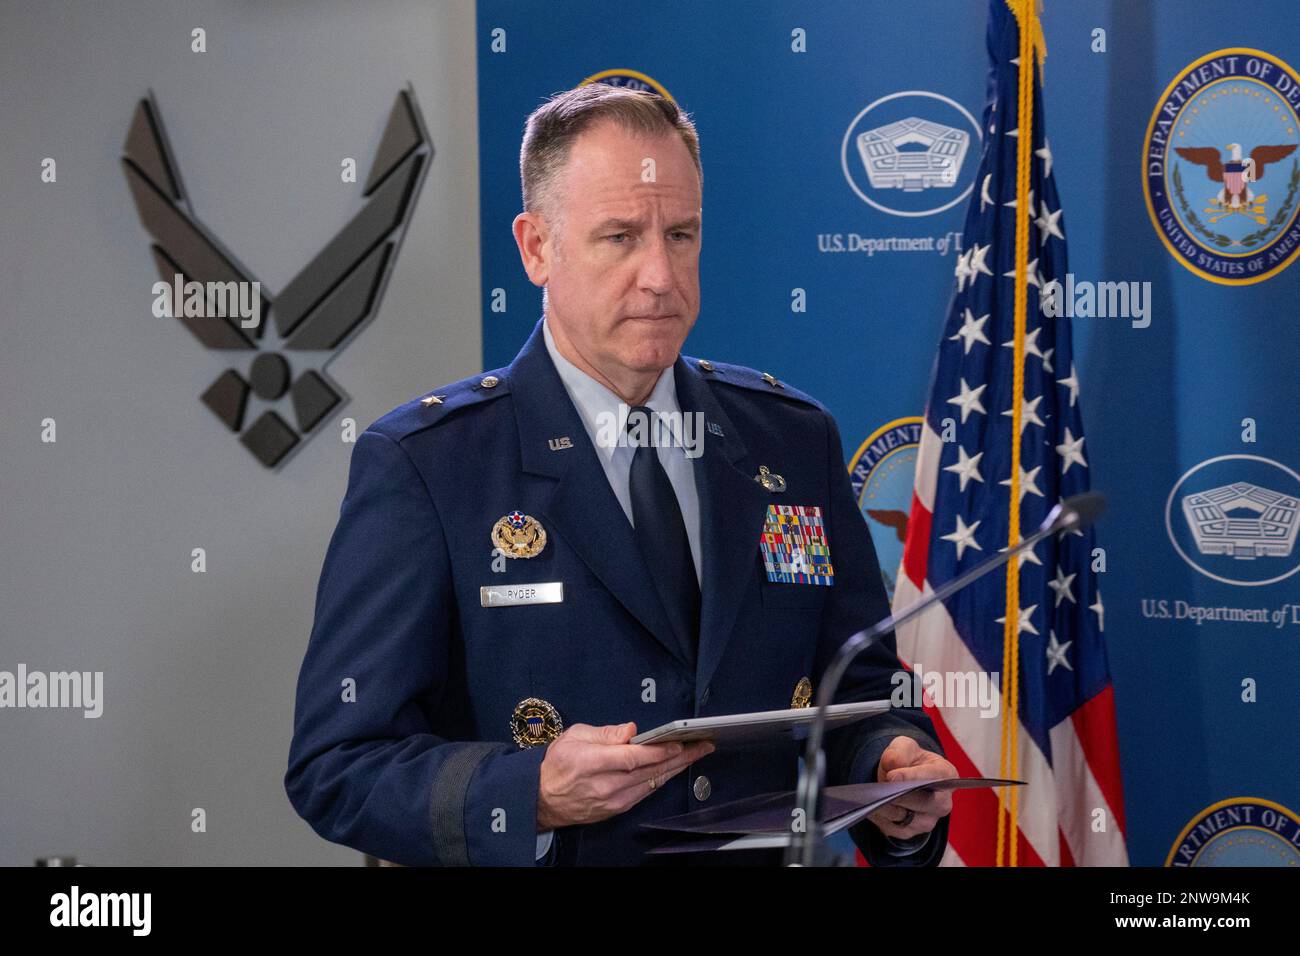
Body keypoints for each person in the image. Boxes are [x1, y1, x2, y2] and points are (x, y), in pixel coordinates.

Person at [285, 83, 957, 866]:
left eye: (681, 233)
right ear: (537, 248)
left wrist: (889, 762)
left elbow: (856, 689)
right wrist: (529, 792)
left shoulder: (791, 442)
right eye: (619, 237)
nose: (660, 276)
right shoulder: (430, 465)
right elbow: (338, 766)